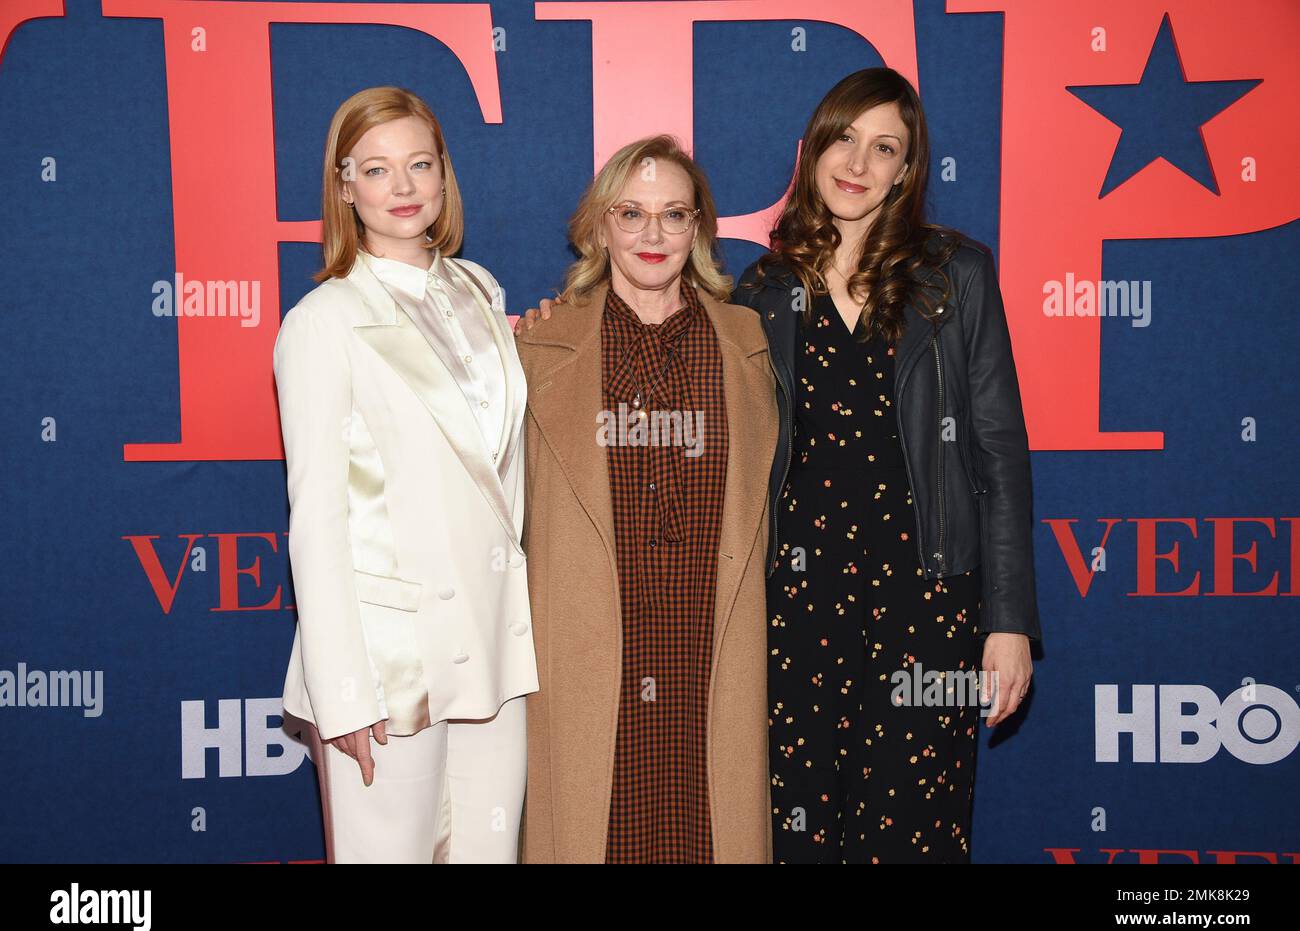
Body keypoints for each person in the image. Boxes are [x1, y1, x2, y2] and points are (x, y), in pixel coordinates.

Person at [519, 68, 1041, 864]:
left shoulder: (955, 278)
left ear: (907, 170)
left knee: (915, 837)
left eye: (885, 148)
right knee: (795, 831)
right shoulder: (766, 292)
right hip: (797, 604)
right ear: (812, 150)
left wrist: (1009, 621)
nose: (859, 163)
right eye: (844, 138)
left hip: (927, 602)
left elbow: (999, 455)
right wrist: (557, 315)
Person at [273, 86, 537, 863]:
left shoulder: (479, 291)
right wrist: (343, 693)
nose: (403, 188)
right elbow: (315, 516)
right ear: (344, 184)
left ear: (444, 174)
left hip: (493, 648)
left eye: (420, 164)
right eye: (377, 170)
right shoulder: (321, 323)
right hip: (390, 664)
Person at [514, 135, 778, 863]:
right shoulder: (536, 351)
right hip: (590, 663)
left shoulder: (751, 343)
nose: (652, 235)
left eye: (673, 214)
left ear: (699, 227)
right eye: (631, 213)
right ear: (599, 225)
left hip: (708, 657)